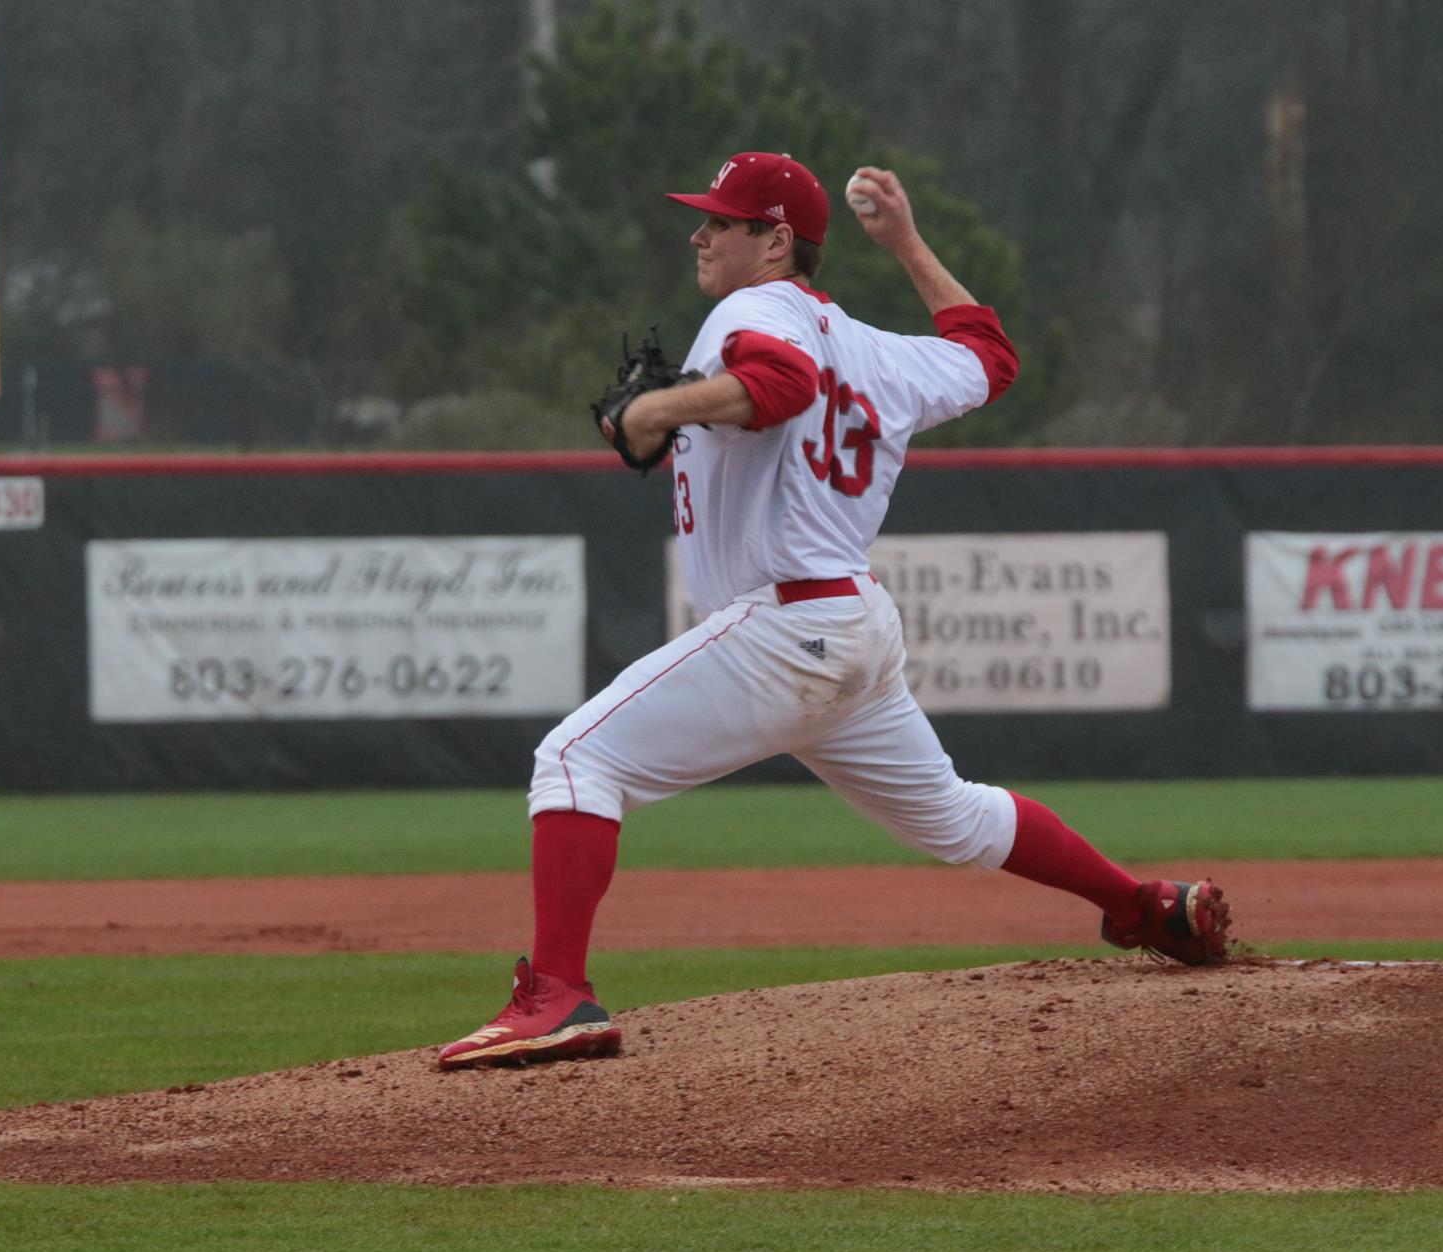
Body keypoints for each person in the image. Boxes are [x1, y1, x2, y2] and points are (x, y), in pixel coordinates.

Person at [436, 152, 1229, 1069]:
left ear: (776, 243)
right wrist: (907, 243)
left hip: (788, 625)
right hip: (851, 628)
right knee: (954, 817)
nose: (699, 233)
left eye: (721, 221)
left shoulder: (752, 308)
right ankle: (1145, 908)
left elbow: (783, 388)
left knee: (575, 758)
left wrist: (661, 408)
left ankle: (559, 996)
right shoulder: (879, 351)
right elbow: (989, 357)